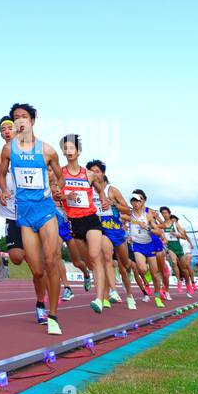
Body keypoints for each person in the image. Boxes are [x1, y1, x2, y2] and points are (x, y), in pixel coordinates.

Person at [0, 103, 64, 335]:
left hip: (45, 211)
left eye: (24, 117)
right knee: (36, 269)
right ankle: (40, 301)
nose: (20, 121)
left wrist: (57, 189)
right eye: (16, 118)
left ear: (33, 121)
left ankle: (53, 315)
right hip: (23, 213)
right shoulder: (8, 150)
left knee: (52, 260)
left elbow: (60, 178)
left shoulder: (47, 151)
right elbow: (0, 174)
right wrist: (3, 190)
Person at [58, 135, 110, 315]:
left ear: (78, 151)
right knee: (87, 260)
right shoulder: (60, 173)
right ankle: (96, 281)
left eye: (71, 147)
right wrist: (65, 197)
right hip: (73, 222)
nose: (68, 151)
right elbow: (55, 195)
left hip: (90, 218)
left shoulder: (88, 174)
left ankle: (99, 299)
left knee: (95, 255)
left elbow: (100, 189)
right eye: (65, 148)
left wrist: (104, 200)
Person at [86, 160, 137, 309]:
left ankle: (129, 294)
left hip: (116, 229)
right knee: (106, 257)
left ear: (103, 174)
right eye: (91, 171)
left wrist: (113, 204)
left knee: (124, 264)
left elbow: (128, 210)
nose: (94, 174)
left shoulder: (112, 190)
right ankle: (113, 292)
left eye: (97, 171)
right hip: (99, 227)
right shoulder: (87, 189)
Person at [127, 191, 167, 307]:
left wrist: (148, 228)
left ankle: (157, 297)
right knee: (142, 269)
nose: (134, 203)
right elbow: (121, 218)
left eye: (137, 201)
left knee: (155, 274)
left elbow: (158, 231)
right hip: (137, 246)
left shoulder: (148, 215)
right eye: (132, 201)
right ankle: (147, 274)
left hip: (149, 245)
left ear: (142, 202)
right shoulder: (129, 214)